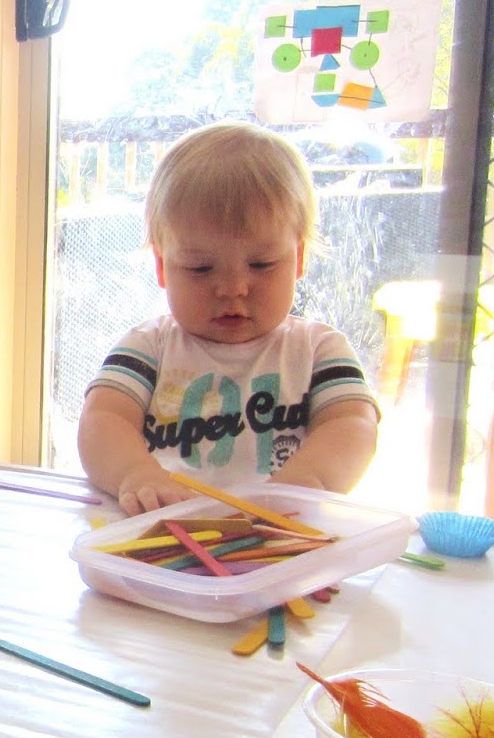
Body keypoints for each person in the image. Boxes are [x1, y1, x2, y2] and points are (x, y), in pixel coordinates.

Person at [78, 122, 380, 516]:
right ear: (162, 266)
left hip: (278, 534)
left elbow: (353, 424)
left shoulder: (319, 350)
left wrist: (309, 480)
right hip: (165, 532)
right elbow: (102, 418)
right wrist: (135, 472)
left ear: (299, 258)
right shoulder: (148, 347)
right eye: (200, 268)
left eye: (262, 264)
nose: (233, 288)